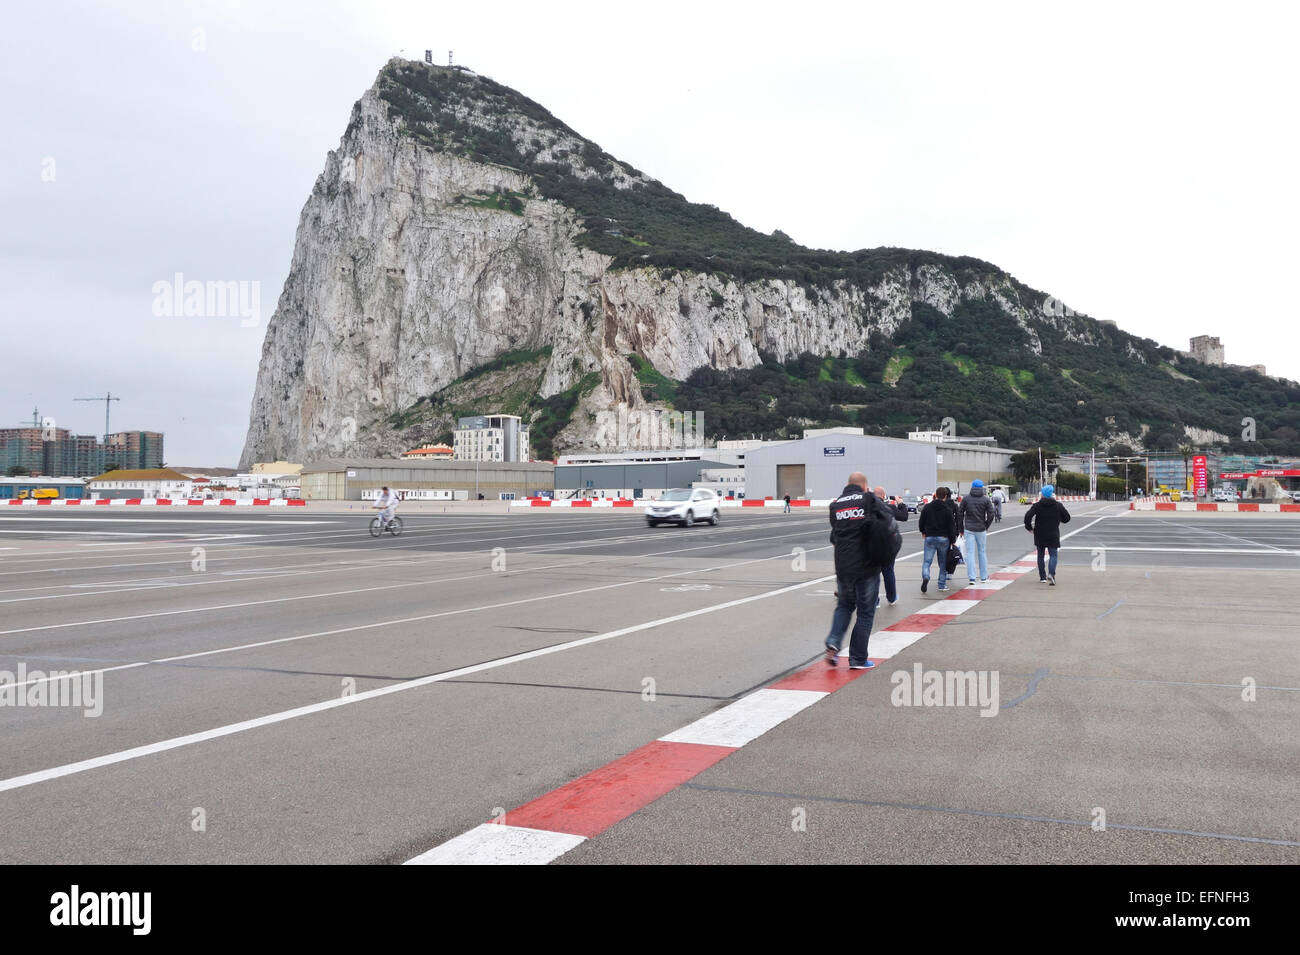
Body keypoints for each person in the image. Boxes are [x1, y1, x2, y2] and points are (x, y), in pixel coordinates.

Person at [823, 472, 897, 670]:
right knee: (865, 612)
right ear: (865, 486)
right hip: (866, 566)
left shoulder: (836, 504)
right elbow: (888, 519)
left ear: (848, 484)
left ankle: (833, 642)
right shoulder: (869, 499)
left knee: (844, 606)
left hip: (843, 566)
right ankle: (857, 659)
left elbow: (834, 535)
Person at [1024, 484, 1071, 585]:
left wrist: (1029, 528)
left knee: (1040, 556)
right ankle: (1051, 574)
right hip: (1053, 533)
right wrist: (1059, 518)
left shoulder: (1036, 505)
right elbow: (1067, 518)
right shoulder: (1058, 505)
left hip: (1039, 534)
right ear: (1052, 494)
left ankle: (1042, 577)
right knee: (1053, 555)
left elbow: (1027, 517)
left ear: (1042, 494)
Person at [874, 486, 908, 606]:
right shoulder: (889, 507)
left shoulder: (869, 507)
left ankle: (875, 601)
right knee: (888, 571)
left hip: (872, 545)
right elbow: (904, 516)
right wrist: (901, 503)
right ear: (883, 496)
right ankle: (891, 597)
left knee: (874, 573)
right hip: (888, 545)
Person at [918, 487, 956, 593]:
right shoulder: (947, 509)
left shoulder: (927, 507)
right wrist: (953, 540)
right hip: (943, 538)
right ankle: (941, 585)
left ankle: (926, 576)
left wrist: (923, 532)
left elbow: (921, 522)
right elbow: (951, 526)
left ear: (935, 495)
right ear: (945, 496)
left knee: (927, 561)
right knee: (943, 562)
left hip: (930, 537)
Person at [960, 479, 995, 583]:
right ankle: (984, 577)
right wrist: (986, 525)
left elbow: (960, 513)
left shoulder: (966, 499)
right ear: (981, 488)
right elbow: (991, 513)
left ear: (972, 487)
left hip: (969, 528)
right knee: (982, 552)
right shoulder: (986, 499)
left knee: (970, 553)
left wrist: (961, 528)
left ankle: (972, 577)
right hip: (981, 528)